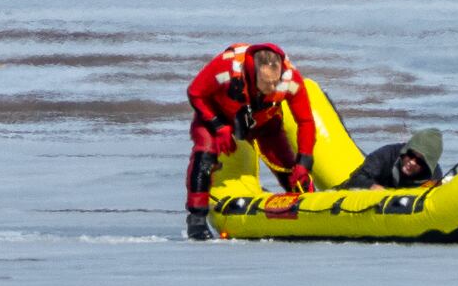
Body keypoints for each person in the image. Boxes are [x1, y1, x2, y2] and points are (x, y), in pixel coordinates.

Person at [184, 42, 317, 240]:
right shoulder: (225, 70)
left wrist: (304, 161)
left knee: (290, 169)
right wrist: (218, 126)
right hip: (219, 115)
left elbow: (305, 121)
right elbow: (195, 93)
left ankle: (312, 208)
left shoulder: (291, 80)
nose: (272, 88)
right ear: (253, 73)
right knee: (204, 155)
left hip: (264, 120)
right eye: (266, 82)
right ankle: (196, 220)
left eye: (275, 82)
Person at [337, 128, 444, 191]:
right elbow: (356, 178)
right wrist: (372, 186)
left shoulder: (433, 175)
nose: (412, 162)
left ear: (427, 165)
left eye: (419, 161)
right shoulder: (386, 155)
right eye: (411, 154)